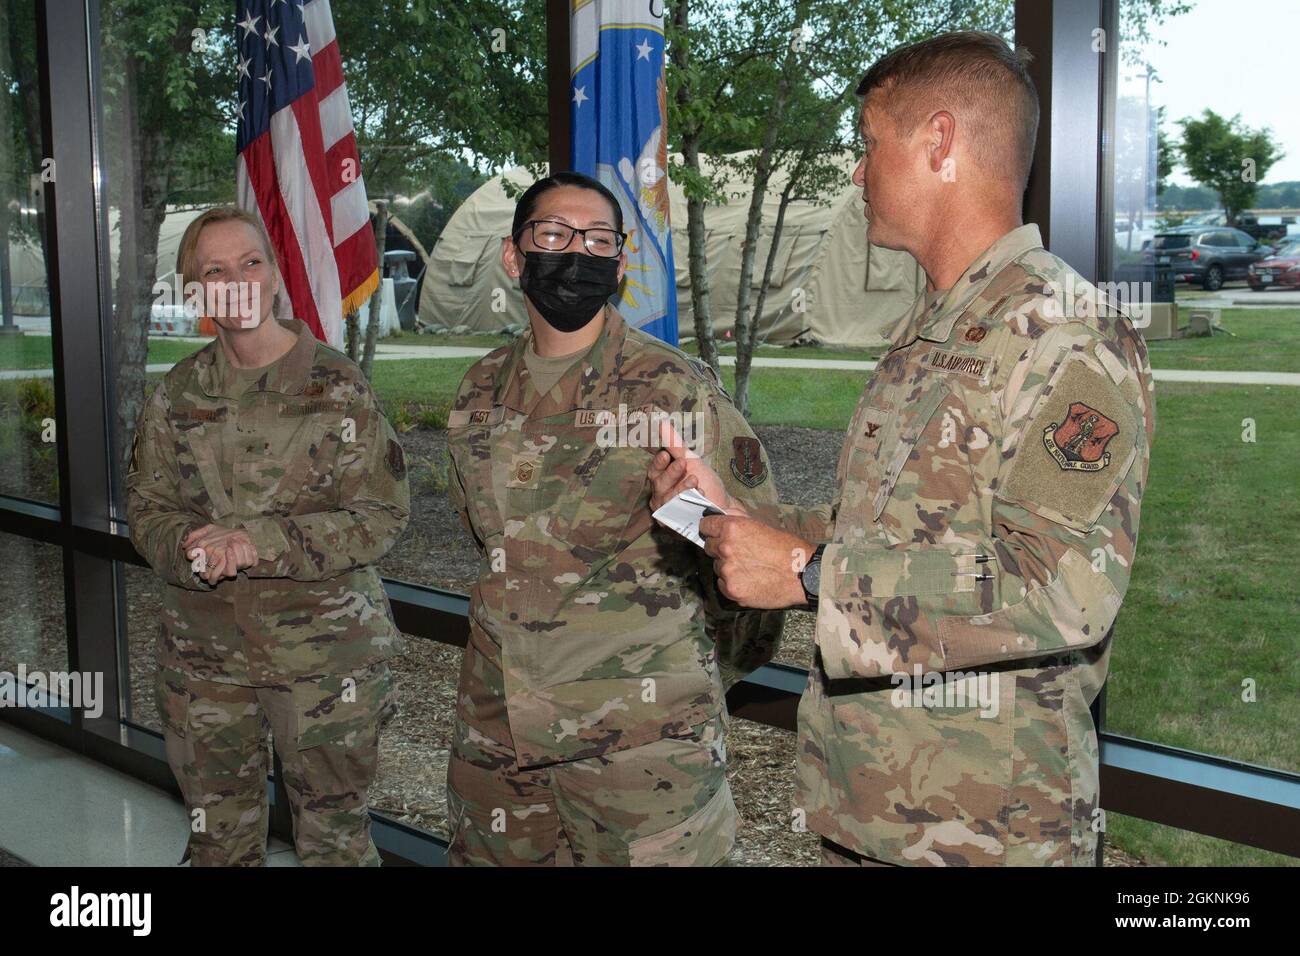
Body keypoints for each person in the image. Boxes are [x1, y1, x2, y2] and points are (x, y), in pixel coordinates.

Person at [649, 31, 1156, 867]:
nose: (857, 173)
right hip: (873, 812)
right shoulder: (931, 328)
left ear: (941, 143)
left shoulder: (1069, 333)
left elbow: (1059, 587)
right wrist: (739, 518)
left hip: (988, 835)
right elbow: (883, 528)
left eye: (868, 145)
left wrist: (811, 573)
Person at [444, 171, 783, 866]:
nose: (577, 252)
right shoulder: (479, 388)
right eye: (553, 235)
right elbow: (488, 541)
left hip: (639, 749)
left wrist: (694, 682)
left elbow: (751, 551)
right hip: (499, 736)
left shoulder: (672, 389)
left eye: (600, 239)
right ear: (515, 257)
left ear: (621, 263)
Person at [127, 205, 410, 866]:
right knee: (217, 841)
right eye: (214, 270)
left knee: (334, 842)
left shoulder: (337, 387)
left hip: (325, 660)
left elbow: (381, 515)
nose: (237, 280)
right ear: (194, 291)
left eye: (250, 262)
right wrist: (192, 545)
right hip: (205, 660)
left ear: (276, 276)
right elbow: (147, 505)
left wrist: (259, 542)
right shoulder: (176, 394)